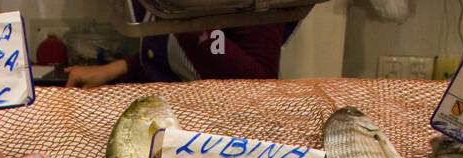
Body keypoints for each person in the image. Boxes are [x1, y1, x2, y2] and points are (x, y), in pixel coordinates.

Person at [65, 15, 297, 87]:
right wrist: (116, 69)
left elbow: (257, 80)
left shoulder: (256, 11)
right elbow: (169, 50)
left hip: (229, 133)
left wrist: (189, 26)